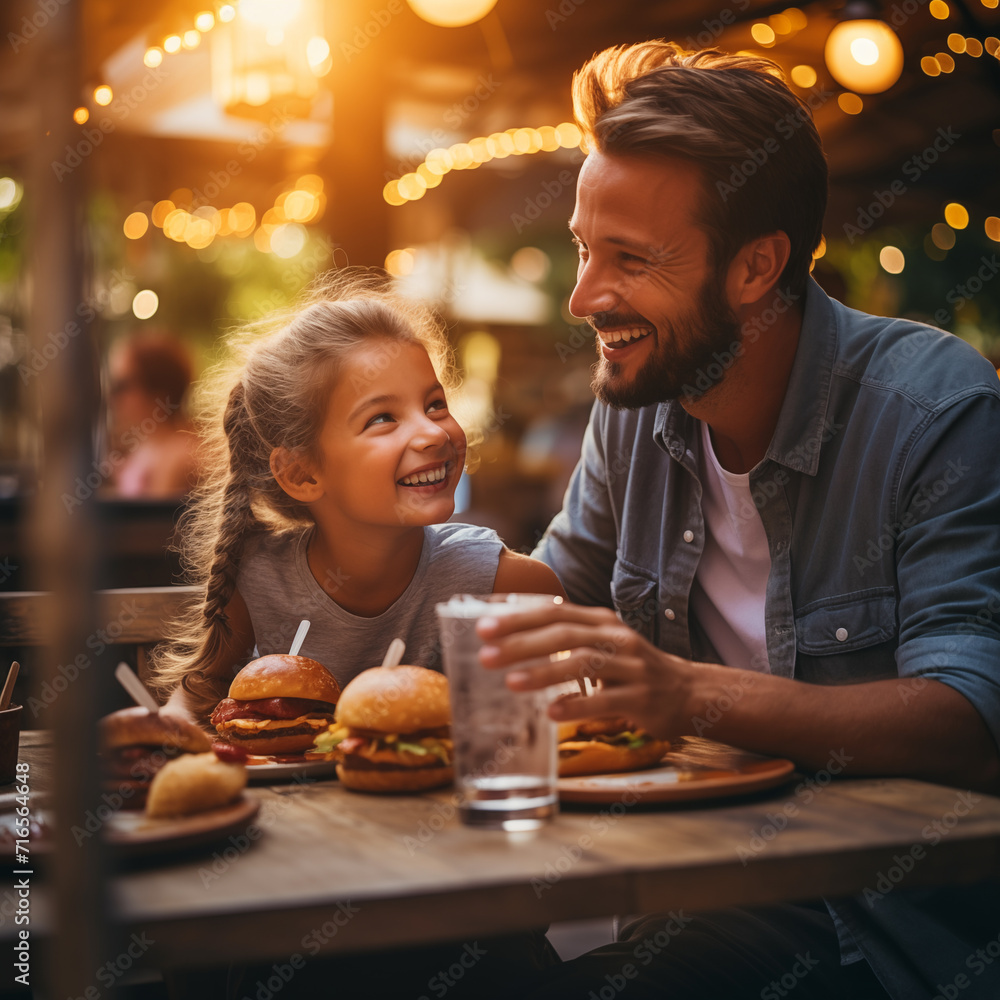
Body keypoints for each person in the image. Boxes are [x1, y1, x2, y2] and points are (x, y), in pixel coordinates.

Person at [475, 42, 1000, 999]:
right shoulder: (638, 408)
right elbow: (548, 599)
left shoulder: (935, 410)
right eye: (587, 250)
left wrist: (685, 695)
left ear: (757, 267)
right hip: (674, 882)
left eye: (629, 260)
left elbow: (967, 719)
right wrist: (365, 531)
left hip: (874, 929)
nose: (583, 296)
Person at [148, 271, 562, 999]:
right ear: (302, 472)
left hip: (465, 927)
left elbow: (557, 754)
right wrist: (161, 743)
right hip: (285, 917)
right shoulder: (257, 581)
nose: (433, 430)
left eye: (435, 403)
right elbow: (190, 716)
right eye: (384, 419)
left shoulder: (506, 586)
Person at [103, 330, 203, 498]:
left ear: (159, 392)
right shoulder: (144, 451)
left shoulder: (178, 458)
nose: (113, 397)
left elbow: (150, 523)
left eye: (122, 385)